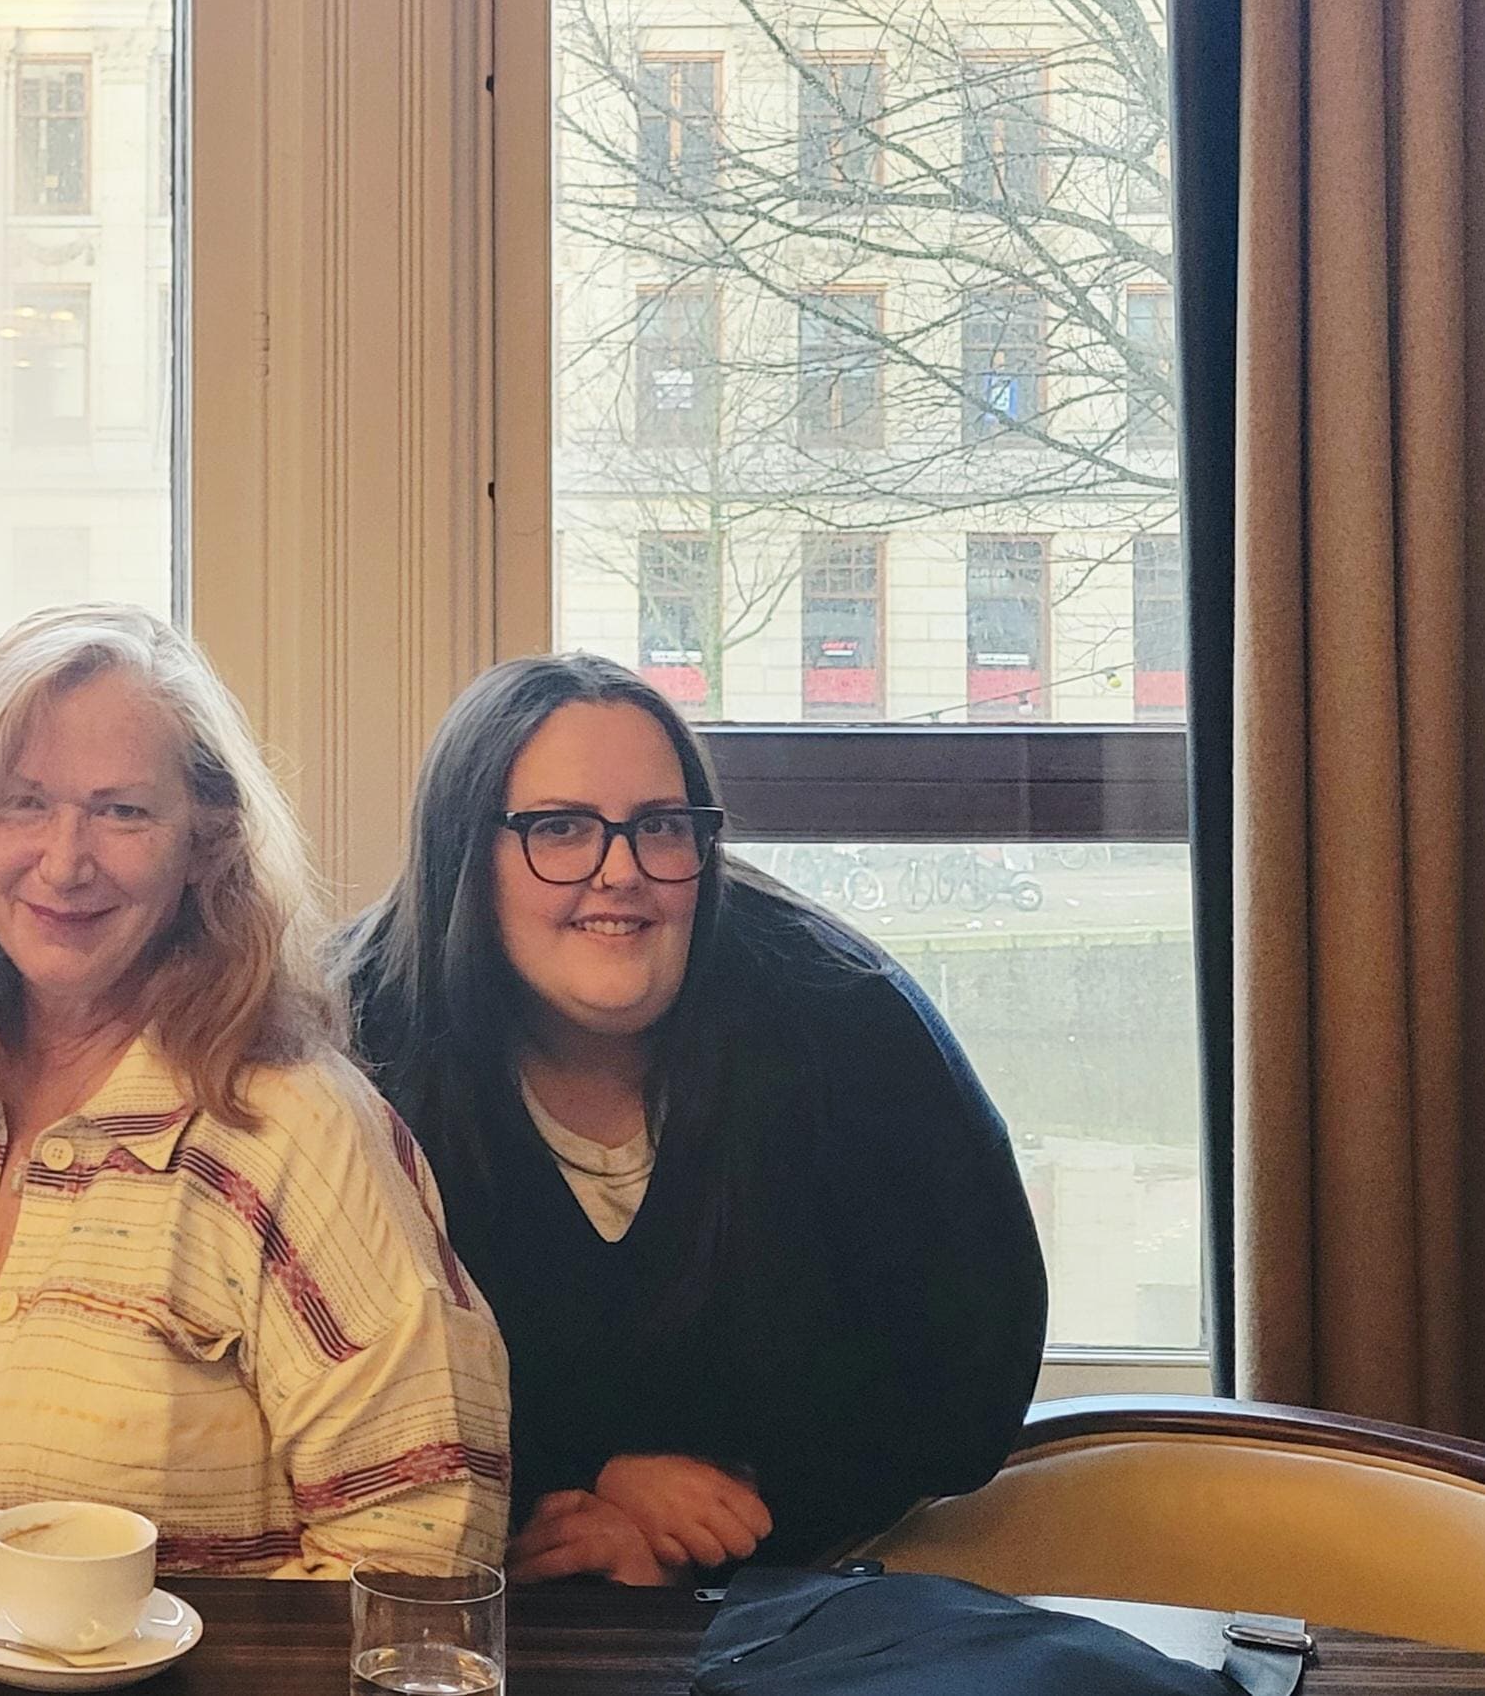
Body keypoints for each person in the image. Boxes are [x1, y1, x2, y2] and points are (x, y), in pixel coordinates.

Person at [0, 605, 508, 1577]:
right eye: (22, 803)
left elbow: (424, 1545)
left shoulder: (300, 1132)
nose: (64, 861)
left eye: (123, 811)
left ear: (206, 842)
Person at [344, 652, 1046, 1583]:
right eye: (560, 828)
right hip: (463, 1591)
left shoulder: (851, 1022)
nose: (620, 871)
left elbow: (969, 1383)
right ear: (462, 855)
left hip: (812, 1582)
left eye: (661, 827)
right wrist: (584, 1483)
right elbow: (328, 1389)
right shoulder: (351, 1048)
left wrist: (722, 1513)